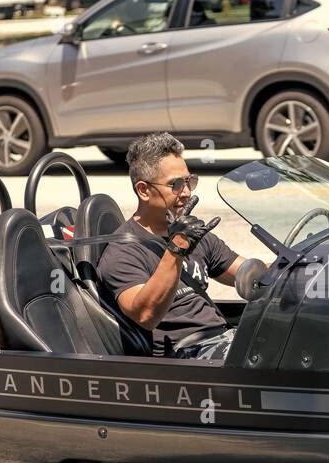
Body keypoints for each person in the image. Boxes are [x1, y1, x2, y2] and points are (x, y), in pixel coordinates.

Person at [97, 132, 255, 360]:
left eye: (189, 181)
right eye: (176, 185)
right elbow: (146, 315)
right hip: (185, 355)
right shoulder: (122, 252)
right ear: (143, 190)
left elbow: (247, 275)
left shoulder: (192, 233)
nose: (187, 192)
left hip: (224, 339)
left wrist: (298, 264)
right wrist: (177, 248)